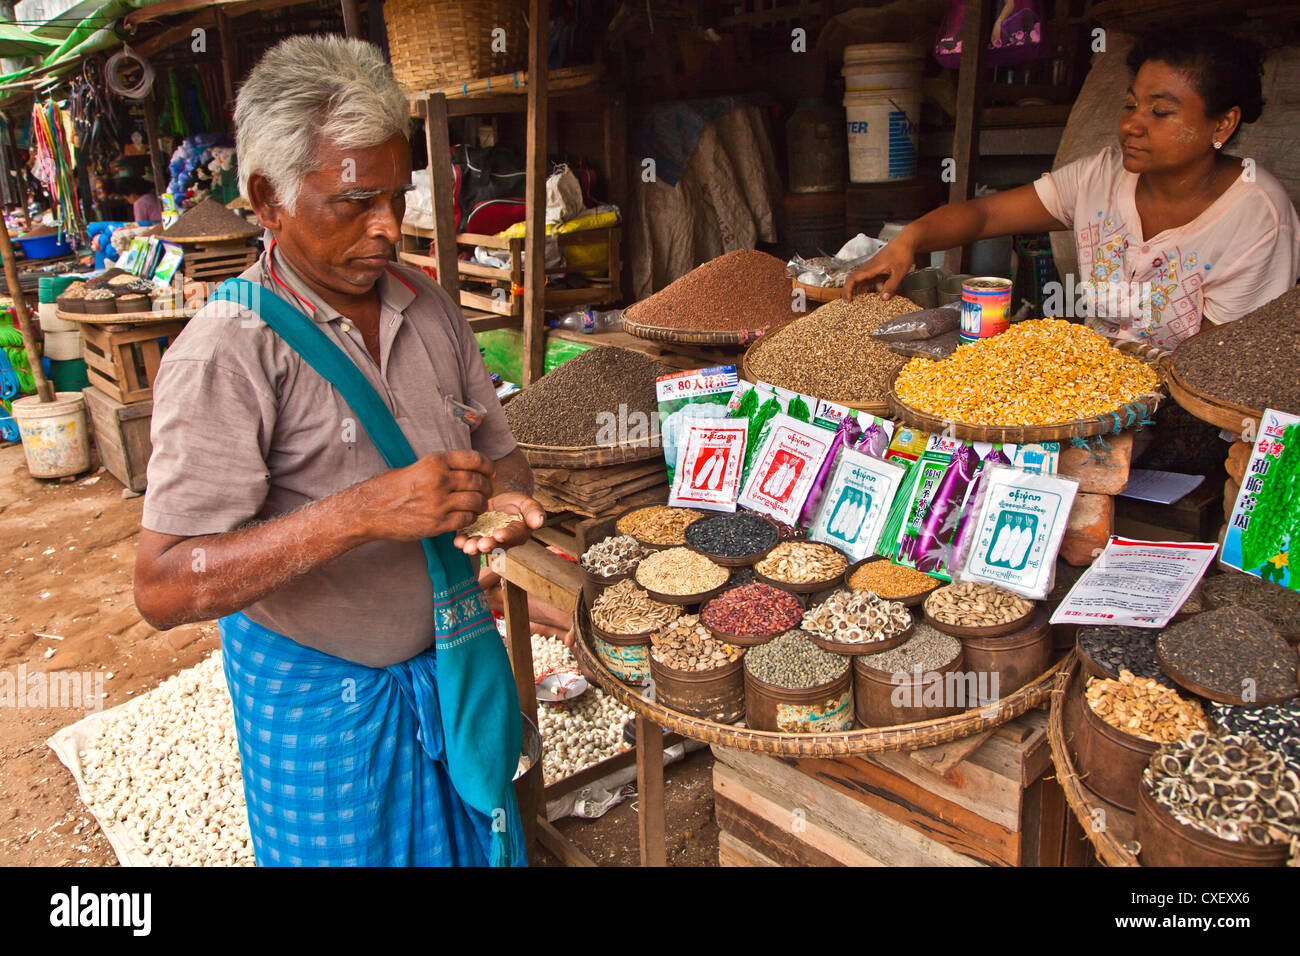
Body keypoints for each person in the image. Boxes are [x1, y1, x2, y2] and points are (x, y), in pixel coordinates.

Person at [133, 36, 545, 866]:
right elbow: (165, 585)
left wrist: (506, 501)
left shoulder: (427, 305)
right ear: (267, 201)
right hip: (327, 704)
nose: (390, 226)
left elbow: (500, 454)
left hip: (454, 670)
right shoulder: (227, 351)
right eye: (355, 202)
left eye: (398, 196)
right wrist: (359, 515)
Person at [847, 28, 1300, 353]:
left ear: (1222, 123)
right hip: (1092, 388)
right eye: (1130, 105)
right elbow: (985, 216)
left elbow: (1219, 358)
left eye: (1160, 112)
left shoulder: (1257, 215)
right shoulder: (1098, 178)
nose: (1131, 125)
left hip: (1187, 415)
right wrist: (908, 241)